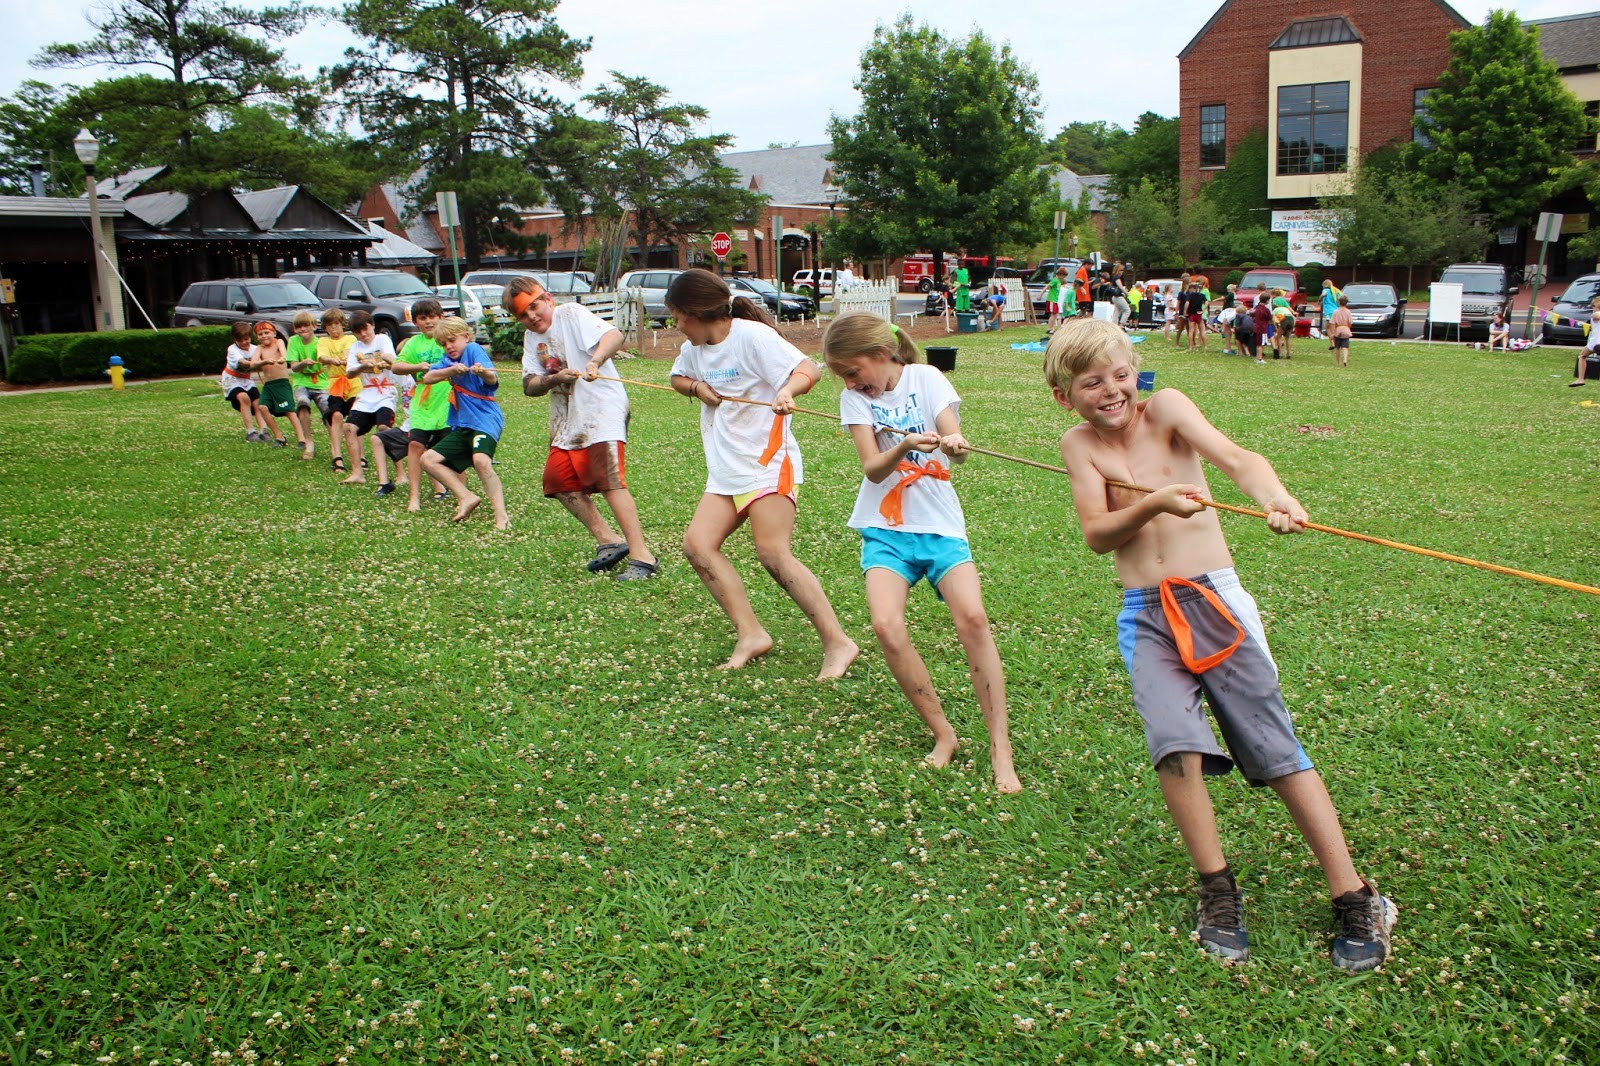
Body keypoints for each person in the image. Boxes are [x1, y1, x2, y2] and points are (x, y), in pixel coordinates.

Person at [1043, 318, 1397, 972]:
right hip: (1145, 611)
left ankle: (1355, 894)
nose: (1112, 391)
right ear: (1067, 395)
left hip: (1212, 600)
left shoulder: (1168, 408)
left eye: (1120, 375)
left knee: (1271, 743)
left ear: (1134, 372)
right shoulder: (1078, 445)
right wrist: (1153, 505)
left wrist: (1275, 496)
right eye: (1092, 384)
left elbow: (1239, 461)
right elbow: (1097, 534)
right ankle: (1217, 891)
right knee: (1173, 743)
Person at [821, 314, 1021, 793]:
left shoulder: (926, 378)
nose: (852, 383)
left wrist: (954, 444)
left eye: (853, 371)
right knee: (886, 627)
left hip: (939, 526)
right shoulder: (854, 400)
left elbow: (958, 448)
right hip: (886, 528)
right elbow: (872, 468)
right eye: (845, 377)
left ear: (879, 353)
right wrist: (906, 443)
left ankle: (1000, 749)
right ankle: (944, 734)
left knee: (973, 619)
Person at [666, 268, 859, 679]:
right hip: (726, 470)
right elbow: (677, 378)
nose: (676, 325)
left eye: (678, 317)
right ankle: (750, 633)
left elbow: (808, 367)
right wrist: (696, 389)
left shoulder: (750, 337)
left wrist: (788, 390)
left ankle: (838, 642)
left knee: (773, 554)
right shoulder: (695, 349)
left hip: (768, 464)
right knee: (698, 546)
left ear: (695, 312)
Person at [510, 276, 660, 581]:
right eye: (523, 315)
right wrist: (554, 379)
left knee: (609, 482)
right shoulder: (531, 339)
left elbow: (613, 335)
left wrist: (595, 362)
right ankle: (609, 540)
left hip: (600, 409)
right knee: (558, 481)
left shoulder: (571, 314)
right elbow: (530, 384)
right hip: (566, 420)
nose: (532, 317)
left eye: (534, 307)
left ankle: (643, 556)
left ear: (547, 298)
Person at [420, 316, 510, 528]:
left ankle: (502, 516)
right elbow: (428, 378)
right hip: (463, 425)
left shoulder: (473, 349)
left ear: (466, 337)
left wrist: (483, 371)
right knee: (427, 459)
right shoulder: (447, 360)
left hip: (486, 420)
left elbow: (493, 380)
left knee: (481, 461)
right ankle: (466, 497)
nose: (448, 346)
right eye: (444, 343)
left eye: (452, 340)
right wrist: (451, 370)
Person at [389, 297, 452, 512]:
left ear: (441, 317)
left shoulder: (447, 339)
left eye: (432, 317)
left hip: (447, 403)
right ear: (416, 322)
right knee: (415, 446)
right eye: (422, 318)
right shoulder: (414, 343)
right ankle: (414, 497)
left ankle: (459, 492)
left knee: (452, 451)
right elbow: (397, 366)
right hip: (422, 404)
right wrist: (417, 366)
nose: (428, 322)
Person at [340, 310, 399, 492]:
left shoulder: (382, 340)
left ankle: (400, 472)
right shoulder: (356, 347)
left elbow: (393, 359)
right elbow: (350, 372)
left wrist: (385, 360)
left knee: (384, 429)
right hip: (367, 394)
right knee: (349, 428)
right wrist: (363, 366)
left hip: (385, 391)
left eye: (365, 329)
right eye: (358, 331)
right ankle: (358, 472)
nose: (363, 334)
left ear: (372, 325)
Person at [251, 321, 305, 451]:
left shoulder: (278, 342)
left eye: (267, 333)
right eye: (260, 334)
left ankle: (302, 438)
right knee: (262, 407)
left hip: (281, 383)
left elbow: (285, 355)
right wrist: (263, 362)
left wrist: (282, 359)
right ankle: (279, 437)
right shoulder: (259, 348)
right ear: (257, 337)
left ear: (274, 333)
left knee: (289, 411)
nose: (264, 336)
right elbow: (253, 364)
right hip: (269, 385)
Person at [318, 308, 356, 474]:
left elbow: (349, 350)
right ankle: (337, 455)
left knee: (356, 418)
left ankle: (359, 455)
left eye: (336, 324)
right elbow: (322, 357)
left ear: (342, 325)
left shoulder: (350, 338)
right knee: (336, 415)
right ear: (325, 328)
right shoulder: (323, 342)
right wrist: (332, 360)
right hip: (335, 384)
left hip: (353, 383)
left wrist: (346, 358)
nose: (333, 328)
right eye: (329, 325)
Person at [286, 311, 325, 461]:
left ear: (314, 326)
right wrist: (303, 363)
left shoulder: (320, 343)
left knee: (328, 410)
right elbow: (294, 367)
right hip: (301, 380)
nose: (303, 330)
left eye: (306, 326)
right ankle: (308, 443)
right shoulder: (293, 341)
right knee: (302, 404)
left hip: (321, 381)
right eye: (299, 327)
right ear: (295, 329)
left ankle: (336, 447)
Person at [220, 320, 266, 442]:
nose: (244, 342)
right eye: (240, 340)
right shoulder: (232, 349)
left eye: (247, 339)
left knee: (258, 402)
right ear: (234, 339)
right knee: (244, 398)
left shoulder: (255, 349)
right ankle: (251, 432)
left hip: (246, 379)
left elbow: (265, 356)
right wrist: (258, 363)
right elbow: (243, 362)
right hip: (232, 379)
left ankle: (263, 430)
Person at [1329, 295, 1354, 368]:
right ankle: (1345, 360)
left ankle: (1338, 362)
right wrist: (1348, 328)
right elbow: (1350, 322)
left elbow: (1332, 323)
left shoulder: (1336, 311)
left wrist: (1332, 333)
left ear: (1339, 302)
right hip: (1346, 329)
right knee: (1345, 347)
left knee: (1337, 347)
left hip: (1338, 329)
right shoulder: (1348, 311)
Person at [1184, 282, 1207, 350]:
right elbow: (1207, 302)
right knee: (1202, 330)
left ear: (1192, 288)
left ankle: (1191, 346)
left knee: (1191, 330)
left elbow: (1187, 303)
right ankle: (1205, 346)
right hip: (1198, 314)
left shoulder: (1190, 296)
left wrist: (1185, 311)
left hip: (1191, 314)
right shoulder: (1201, 295)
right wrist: (1204, 310)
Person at [1320, 280, 1342, 350]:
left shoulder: (1326, 290)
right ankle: (1336, 342)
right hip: (1337, 311)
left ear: (1325, 285)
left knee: (1328, 328)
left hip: (1329, 312)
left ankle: (1333, 343)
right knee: (1334, 327)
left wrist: (1319, 300)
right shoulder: (1335, 291)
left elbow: (1323, 294)